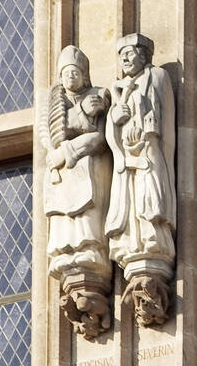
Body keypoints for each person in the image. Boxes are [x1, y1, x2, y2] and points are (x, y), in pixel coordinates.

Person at [41, 46, 112, 334]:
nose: (70, 77)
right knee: (63, 218)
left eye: (75, 72)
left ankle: (89, 249)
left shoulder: (94, 100)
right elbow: (46, 135)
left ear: (84, 76)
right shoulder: (52, 104)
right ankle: (64, 253)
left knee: (85, 215)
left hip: (87, 170)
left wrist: (69, 148)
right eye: (65, 73)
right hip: (61, 173)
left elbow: (99, 137)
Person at [105, 33, 176, 318]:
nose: (125, 58)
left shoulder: (156, 77)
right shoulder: (119, 88)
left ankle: (152, 240)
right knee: (130, 195)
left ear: (143, 56)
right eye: (121, 54)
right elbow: (112, 129)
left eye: (131, 53)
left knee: (149, 194)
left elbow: (164, 115)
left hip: (149, 148)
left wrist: (151, 133)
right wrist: (115, 118)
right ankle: (132, 244)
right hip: (127, 155)